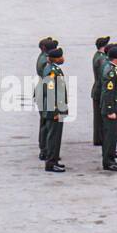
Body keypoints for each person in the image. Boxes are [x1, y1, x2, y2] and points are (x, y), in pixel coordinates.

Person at [39, 44, 67, 173]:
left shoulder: (53, 69)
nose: (63, 58)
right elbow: (50, 93)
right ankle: (50, 163)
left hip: (56, 108)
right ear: (56, 59)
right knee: (53, 136)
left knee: (55, 137)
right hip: (53, 110)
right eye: (61, 56)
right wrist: (56, 110)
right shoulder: (51, 71)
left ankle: (54, 160)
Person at [99, 45, 117, 171]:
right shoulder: (110, 71)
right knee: (110, 136)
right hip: (112, 109)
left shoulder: (113, 68)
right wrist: (110, 110)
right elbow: (108, 92)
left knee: (113, 136)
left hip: (116, 107)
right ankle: (108, 161)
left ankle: (111, 159)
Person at [90, 37, 112, 150]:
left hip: (97, 90)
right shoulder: (103, 59)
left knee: (98, 118)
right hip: (100, 91)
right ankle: (103, 140)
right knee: (103, 119)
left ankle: (98, 138)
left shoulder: (98, 56)